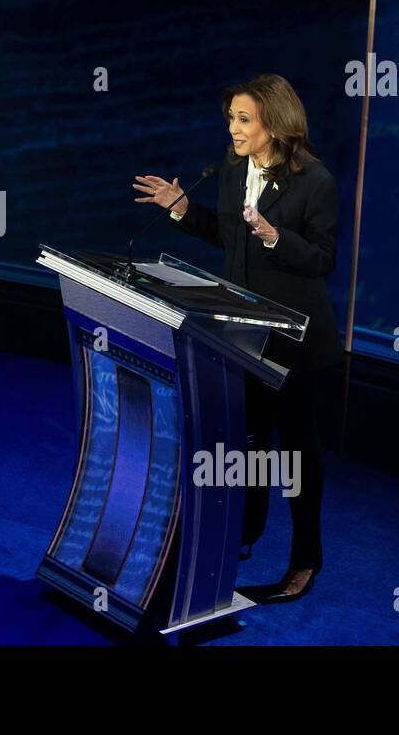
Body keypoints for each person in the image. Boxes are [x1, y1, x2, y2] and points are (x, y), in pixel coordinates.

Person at [132, 73, 343, 603]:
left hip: (295, 340)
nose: (234, 129)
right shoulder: (231, 170)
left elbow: (324, 259)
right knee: (248, 443)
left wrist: (278, 238)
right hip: (242, 335)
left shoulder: (315, 181)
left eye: (243, 119)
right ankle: (244, 535)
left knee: (297, 452)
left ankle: (305, 559)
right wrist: (180, 209)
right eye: (231, 119)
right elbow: (227, 234)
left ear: (274, 123)